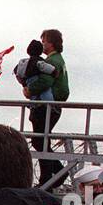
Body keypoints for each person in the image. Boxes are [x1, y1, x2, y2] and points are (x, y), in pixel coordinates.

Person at [23, 29, 68, 186]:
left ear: (52, 43)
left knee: (40, 141)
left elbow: (45, 82)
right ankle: (54, 175)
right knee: (41, 141)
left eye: (44, 41)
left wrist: (29, 89)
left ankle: (50, 178)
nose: (42, 44)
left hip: (45, 107)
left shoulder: (51, 62)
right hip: (51, 107)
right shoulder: (57, 59)